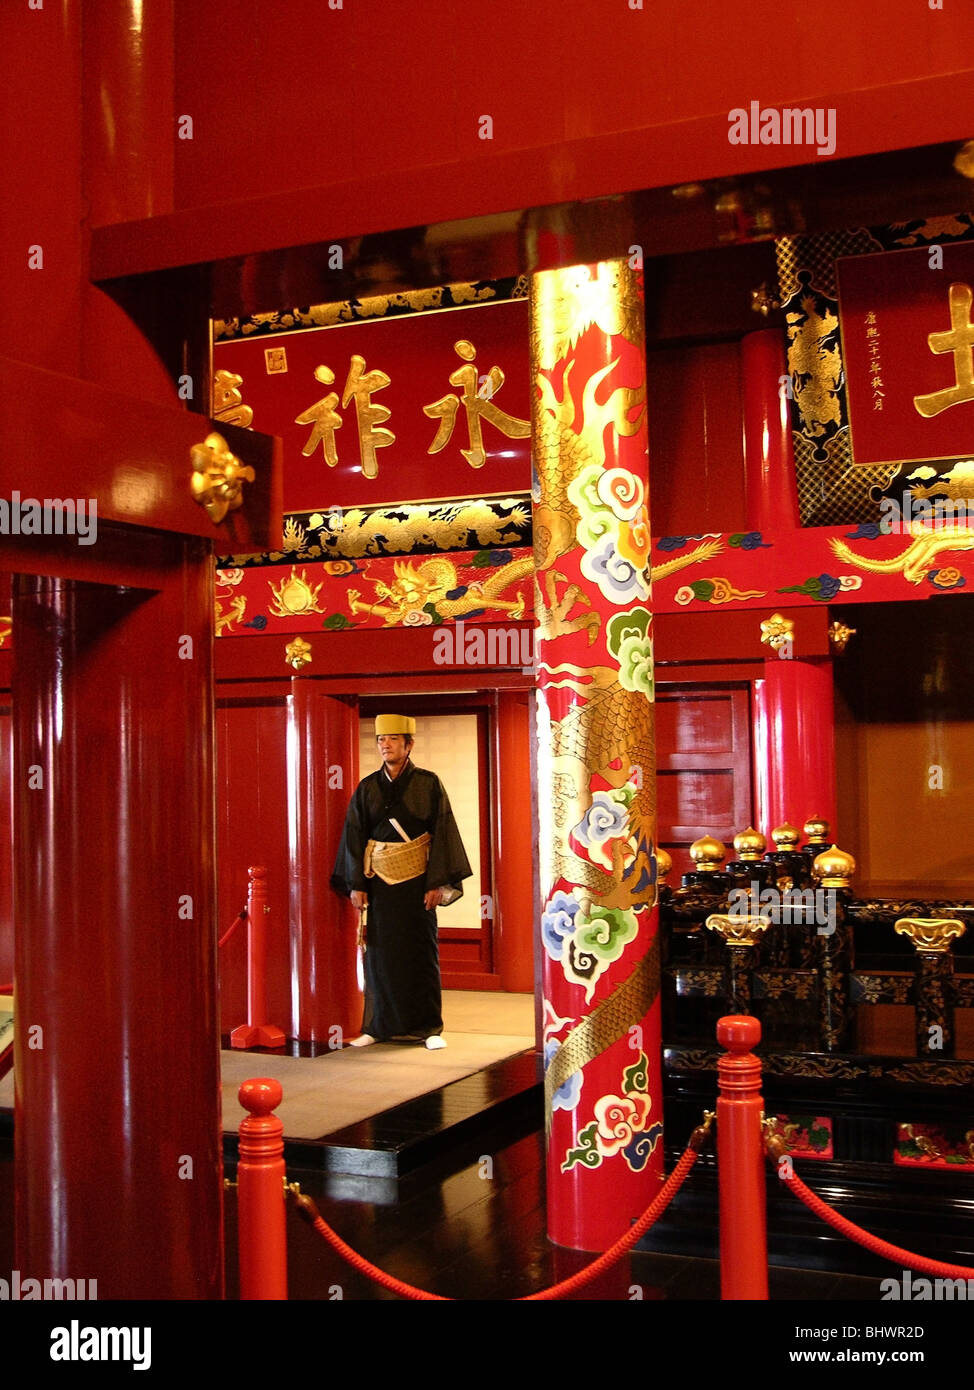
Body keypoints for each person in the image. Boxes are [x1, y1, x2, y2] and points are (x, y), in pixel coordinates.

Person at [331, 714, 472, 1049]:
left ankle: (428, 1029)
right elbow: (354, 834)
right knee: (378, 954)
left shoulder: (428, 782)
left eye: (393, 739)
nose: (386, 745)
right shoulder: (367, 787)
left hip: (417, 880)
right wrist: (356, 884)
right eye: (382, 740)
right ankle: (377, 1026)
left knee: (420, 952)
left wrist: (437, 883)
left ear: (409, 744)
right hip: (378, 881)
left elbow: (443, 830)